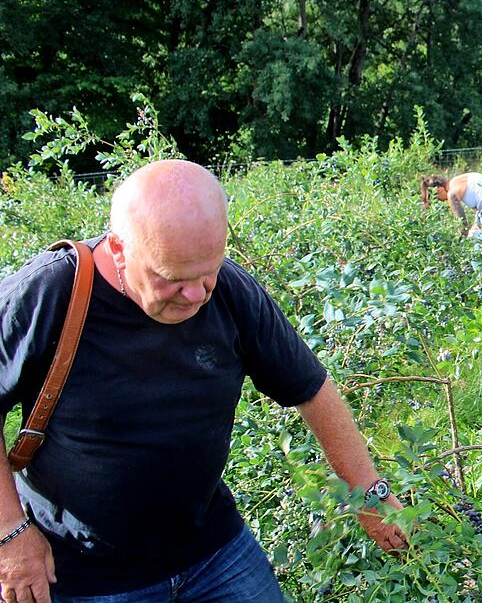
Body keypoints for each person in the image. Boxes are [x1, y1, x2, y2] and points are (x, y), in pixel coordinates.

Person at [0, 160, 406, 602]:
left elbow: (311, 388)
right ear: (119, 249)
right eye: (173, 278)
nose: (196, 294)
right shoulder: (49, 294)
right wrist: (9, 533)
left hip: (213, 553)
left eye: (208, 270)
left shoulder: (230, 290)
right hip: (86, 574)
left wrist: (368, 493)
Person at [420, 172, 482, 240]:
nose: (441, 201)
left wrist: (459, 240)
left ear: (439, 190)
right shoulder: (457, 181)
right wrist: (472, 233)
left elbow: (462, 224)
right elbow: (478, 216)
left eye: (437, 198)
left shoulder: (452, 194)